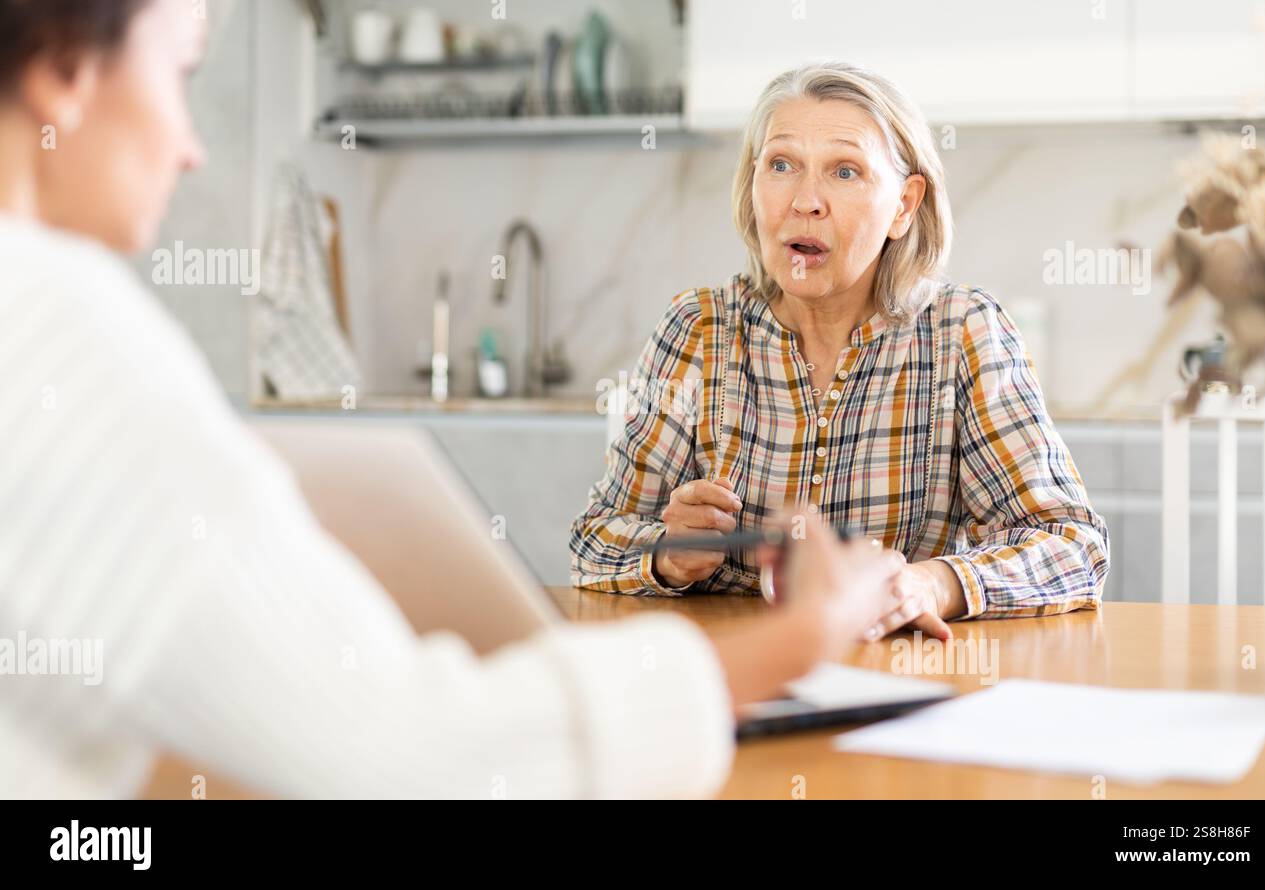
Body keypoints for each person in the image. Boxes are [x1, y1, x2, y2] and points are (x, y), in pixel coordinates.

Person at [0, 0, 910, 799]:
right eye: (178, 70)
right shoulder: (59, 331)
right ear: (65, 74)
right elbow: (415, 759)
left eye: (844, 172)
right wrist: (800, 639)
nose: (192, 147)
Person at [571, 62, 1110, 635]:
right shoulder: (699, 329)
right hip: (740, 679)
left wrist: (932, 583)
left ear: (903, 206)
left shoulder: (963, 333)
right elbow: (593, 540)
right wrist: (665, 554)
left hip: (898, 679)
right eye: (781, 166)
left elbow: (1073, 547)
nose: (805, 201)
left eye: (845, 172)